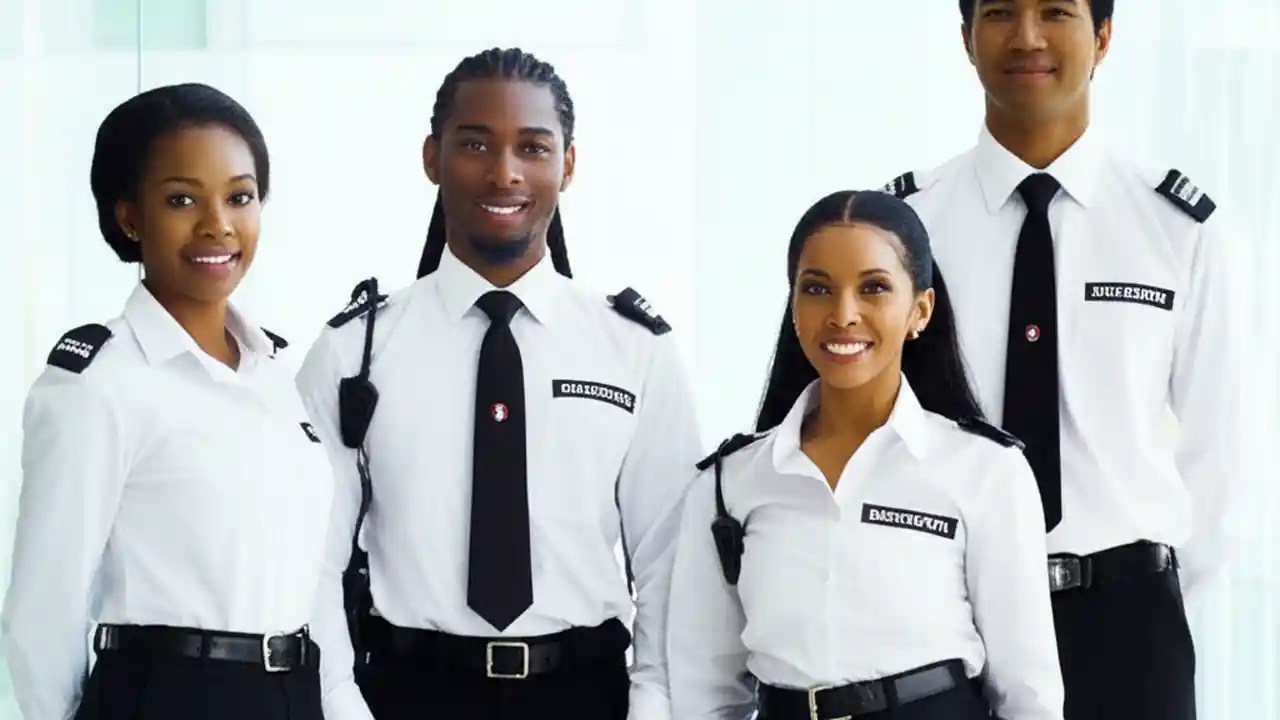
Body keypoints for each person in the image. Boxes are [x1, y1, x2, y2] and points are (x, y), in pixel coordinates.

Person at [295, 47, 701, 720]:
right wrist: (338, 699)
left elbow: (669, 562)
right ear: (432, 157)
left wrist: (653, 702)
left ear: (568, 165)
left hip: (585, 693)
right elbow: (310, 555)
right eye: (476, 144)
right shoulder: (353, 351)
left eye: (533, 148)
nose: (504, 172)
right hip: (408, 692)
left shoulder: (634, 350)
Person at [880, 2, 1248, 718]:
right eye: (1001, 14)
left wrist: (1149, 592)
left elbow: (1219, 457)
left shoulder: (1176, 230)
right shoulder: (908, 227)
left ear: (1103, 36)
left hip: (1126, 626)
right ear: (966, 38)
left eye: (1055, 11)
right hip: (948, 618)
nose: (1027, 37)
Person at [666, 190, 1063, 720]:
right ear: (794, 308)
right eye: (817, 290)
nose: (843, 314)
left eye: (874, 288)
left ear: (920, 310)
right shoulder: (727, 484)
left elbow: (1027, 693)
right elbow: (703, 690)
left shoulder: (987, 472)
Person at [1, 83, 331, 720]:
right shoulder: (100, 383)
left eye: (240, 196)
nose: (218, 224)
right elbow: (42, 612)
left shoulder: (273, 373)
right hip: (169, 694)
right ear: (129, 217)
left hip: (291, 693)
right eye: (182, 199)